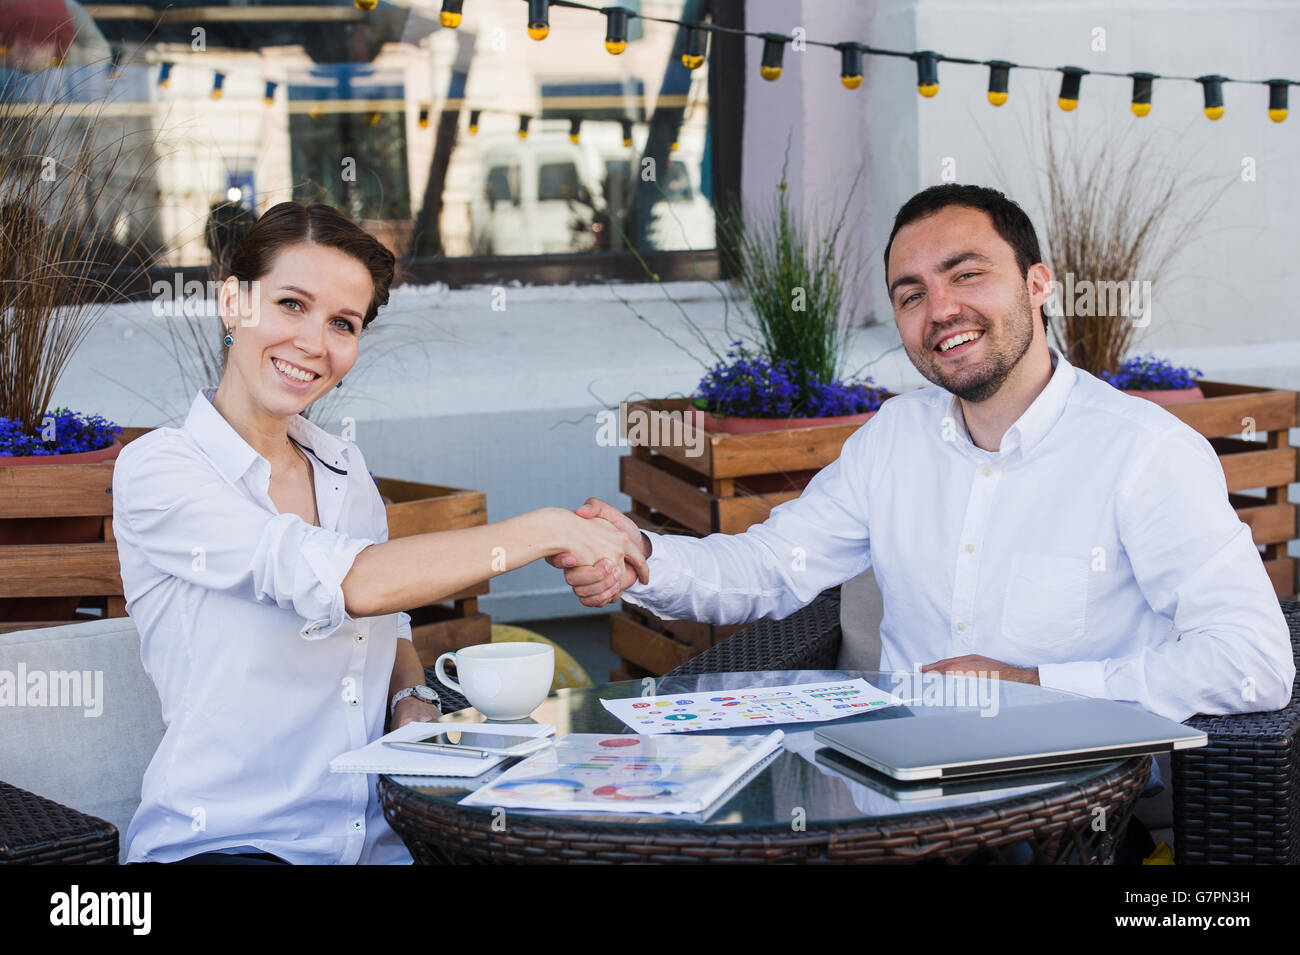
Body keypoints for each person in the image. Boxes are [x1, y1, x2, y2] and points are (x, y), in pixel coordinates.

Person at [551, 183, 1295, 725]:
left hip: (1066, 786)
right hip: (886, 777)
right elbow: (773, 568)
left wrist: (1033, 682)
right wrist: (640, 551)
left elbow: (1252, 661)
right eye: (911, 294)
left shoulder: (1146, 452)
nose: (940, 309)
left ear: (1038, 284)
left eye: (968, 274)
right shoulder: (893, 439)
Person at [113, 201, 646, 865]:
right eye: (291, 304)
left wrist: (410, 698)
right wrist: (546, 528)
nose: (314, 342)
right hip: (228, 841)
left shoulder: (343, 470)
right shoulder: (162, 470)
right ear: (233, 303)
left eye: (343, 322)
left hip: (378, 837)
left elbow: (387, 624)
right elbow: (351, 580)